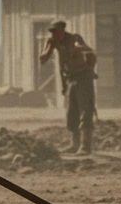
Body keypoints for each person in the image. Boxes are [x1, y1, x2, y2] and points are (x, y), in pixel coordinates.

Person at [40, 20, 97, 154]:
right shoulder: (55, 43)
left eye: (56, 31)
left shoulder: (74, 38)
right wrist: (48, 45)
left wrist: (78, 49)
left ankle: (85, 146)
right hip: (71, 79)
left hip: (83, 78)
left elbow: (88, 50)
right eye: (52, 32)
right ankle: (75, 144)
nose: (54, 34)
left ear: (62, 31)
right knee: (72, 113)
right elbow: (43, 59)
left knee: (85, 111)